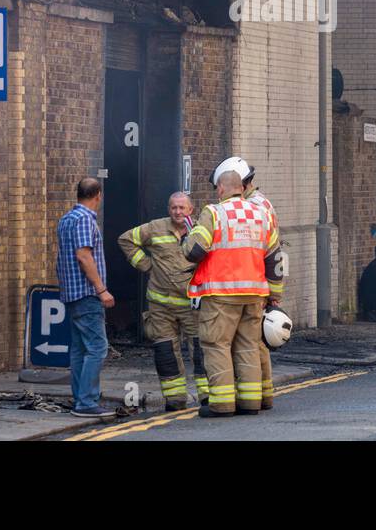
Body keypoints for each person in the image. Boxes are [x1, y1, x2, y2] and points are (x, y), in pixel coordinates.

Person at [182, 166, 284, 418]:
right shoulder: (262, 215)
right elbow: (275, 259)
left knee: (217, 345)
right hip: (254, 294)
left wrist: (186, 239)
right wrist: (274, 294)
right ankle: (251, 402)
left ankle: (222, 404)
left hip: (221, 293)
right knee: (248, 345)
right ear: (242, 187)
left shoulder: (214, 213)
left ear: (221, 189)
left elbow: (195, 250)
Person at [117, 190, 206, 410]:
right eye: (173, 207)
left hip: (191, 305)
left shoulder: (200, 232)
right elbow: (126, 239)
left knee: (201, 351)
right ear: (169, 209)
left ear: (190, 210)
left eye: (181, 208)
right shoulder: (155, 228)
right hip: (161, 306)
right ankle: (175, 399)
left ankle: (207, 396)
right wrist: (145, 265)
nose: (177, 211)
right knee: (165, 352)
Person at [56, 177, 116, 418]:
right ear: (98, 195)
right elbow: (84, 256)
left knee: (80, 349)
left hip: (71, 293)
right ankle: (87, 402)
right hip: (86, 293)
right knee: (98, 348)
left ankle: (81, 399)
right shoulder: (83, 220)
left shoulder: (66, 219)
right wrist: (101, 290)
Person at [241, 161, 284, 411]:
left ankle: (253, 396)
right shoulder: (262, 202)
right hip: (258, 283)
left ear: (243, 184)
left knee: (251, 343)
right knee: (256, 343)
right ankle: (263, 394)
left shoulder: (252, 206)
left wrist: (272, 292)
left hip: (251, 283)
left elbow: (269, 250)